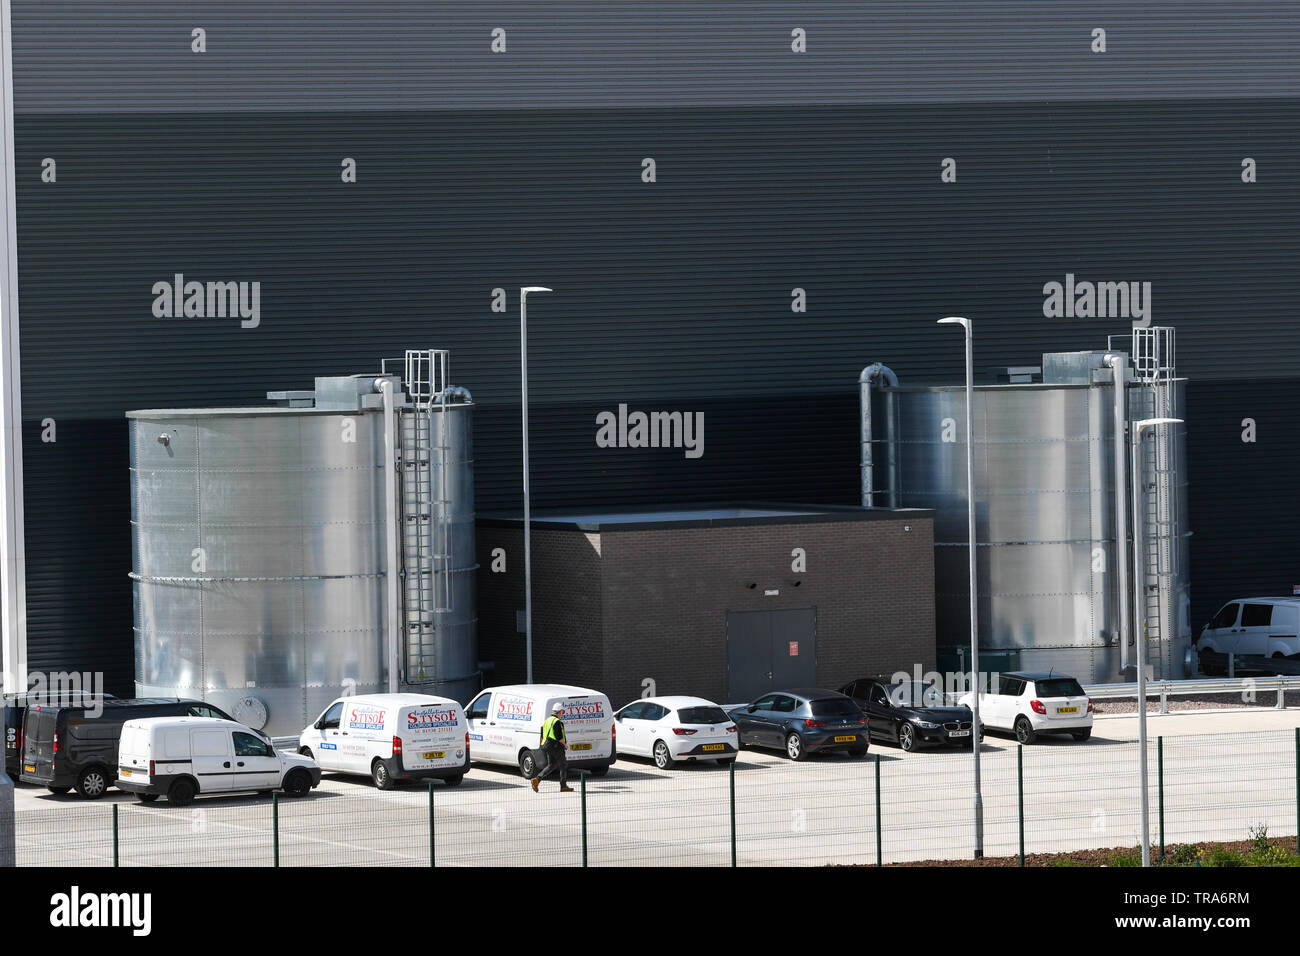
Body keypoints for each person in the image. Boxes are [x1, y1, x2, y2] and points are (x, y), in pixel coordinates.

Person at [531, 702, 574, 793]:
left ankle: (537, 779)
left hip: (547, 746)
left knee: (551, 765)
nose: (563, 714)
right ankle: (563, 786)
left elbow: (542, 733)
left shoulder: (547, 720)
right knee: (563, 765)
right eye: (562, 712)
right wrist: (565, 745)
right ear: (559, 712)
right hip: (556, 746)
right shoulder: (557, 722)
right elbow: (559, 736)